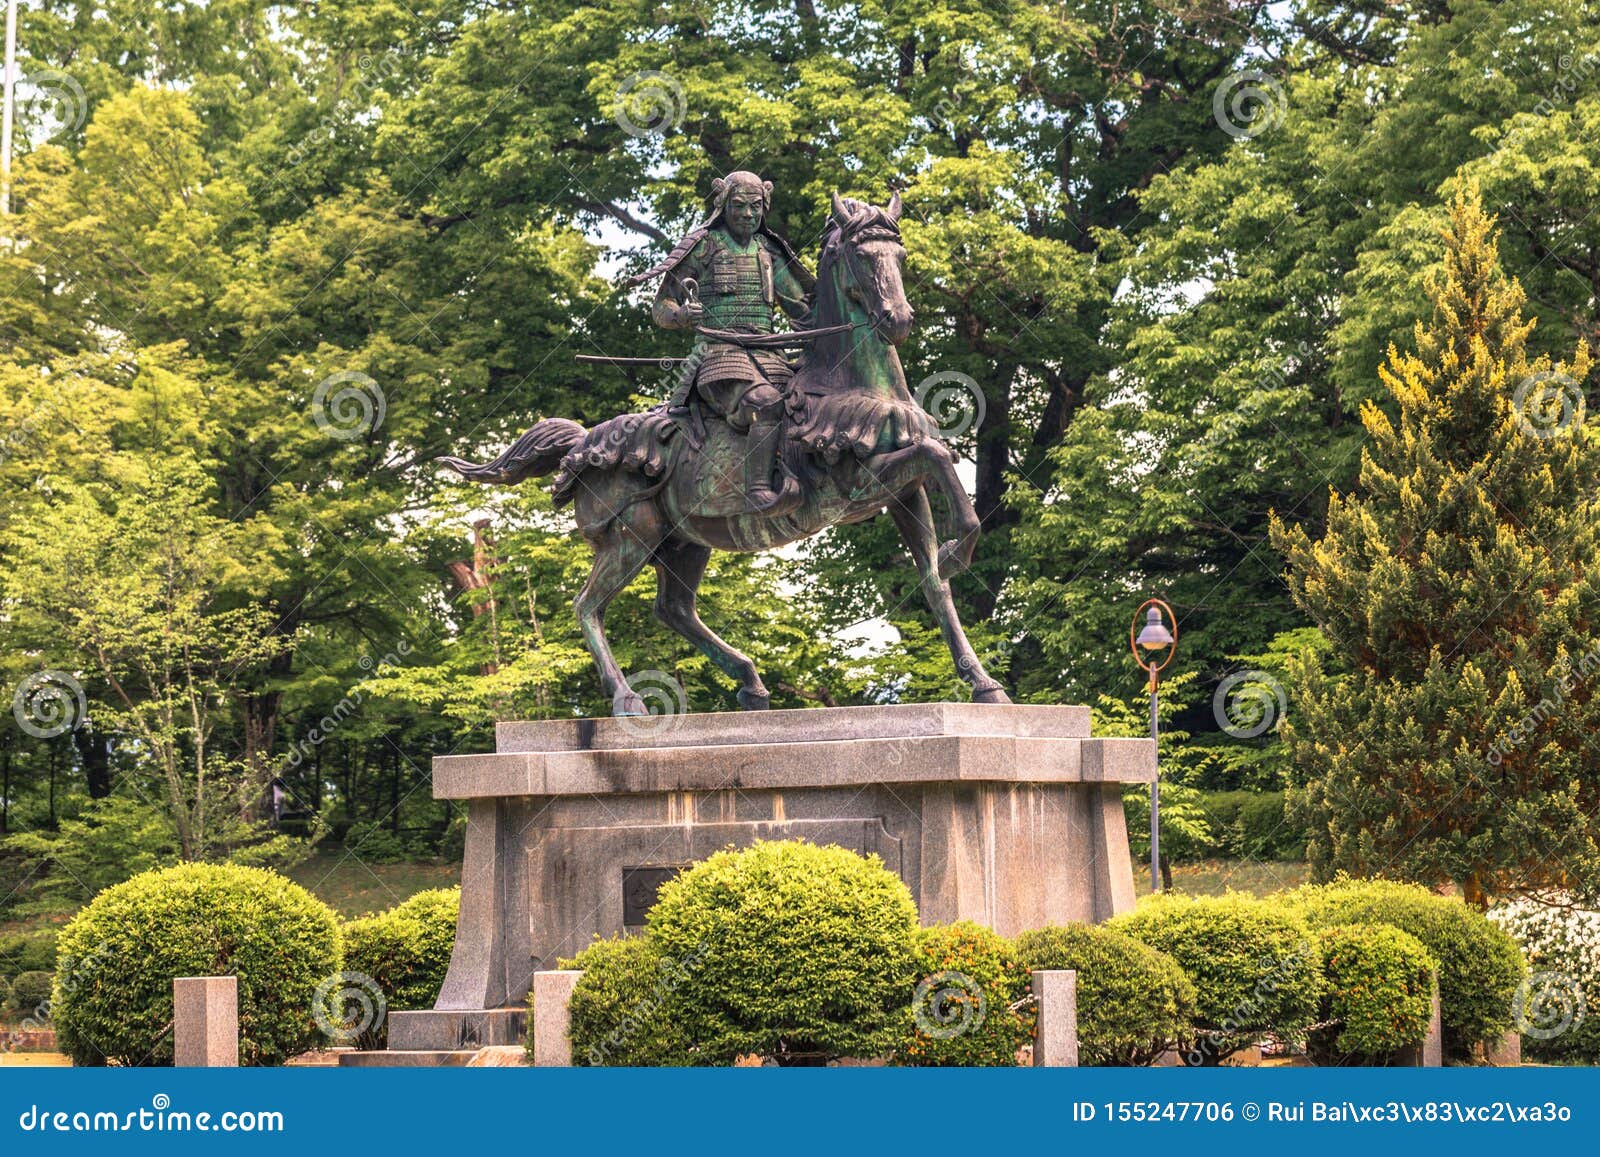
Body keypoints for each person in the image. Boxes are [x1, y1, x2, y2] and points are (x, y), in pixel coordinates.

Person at [629, 171, 815, 514]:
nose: (747, 214)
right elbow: (661, 306)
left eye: (755, 206)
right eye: (739, 206)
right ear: (724, 204)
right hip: (719, 356)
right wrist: (682, 315)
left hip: (769, 354)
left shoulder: (768, 250)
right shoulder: (704, 245)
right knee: (764, 402)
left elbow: (801, 307)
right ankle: (758, 488)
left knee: (811, 403)